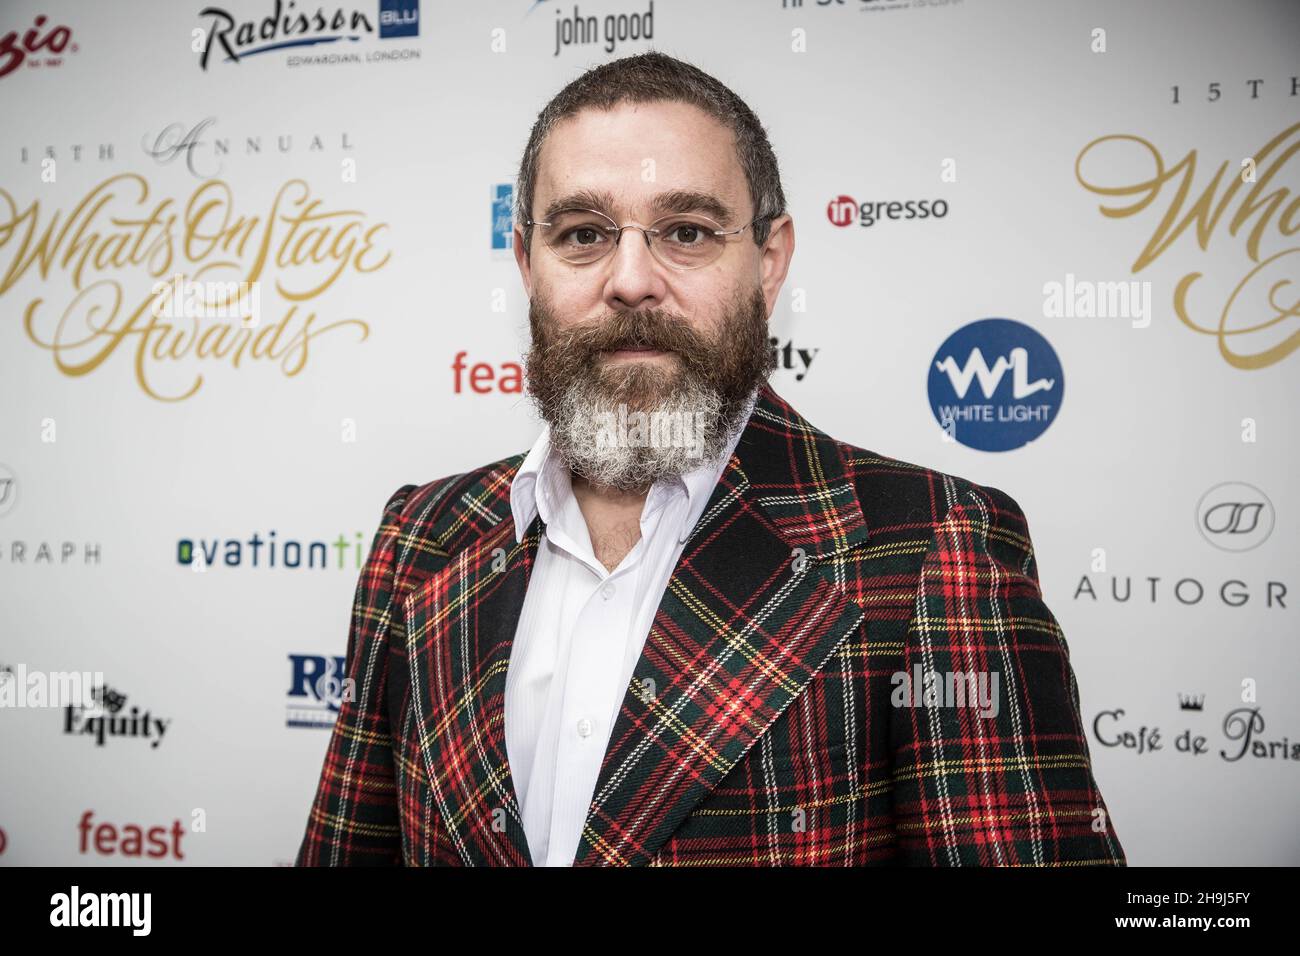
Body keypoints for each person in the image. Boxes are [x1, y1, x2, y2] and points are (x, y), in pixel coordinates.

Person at [296, 50, 1125, 867]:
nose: (630, 281)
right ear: (526, 263)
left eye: (686, 232)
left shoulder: (934, 545)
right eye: (582, 234)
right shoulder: (420, 538)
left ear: (769, 261)